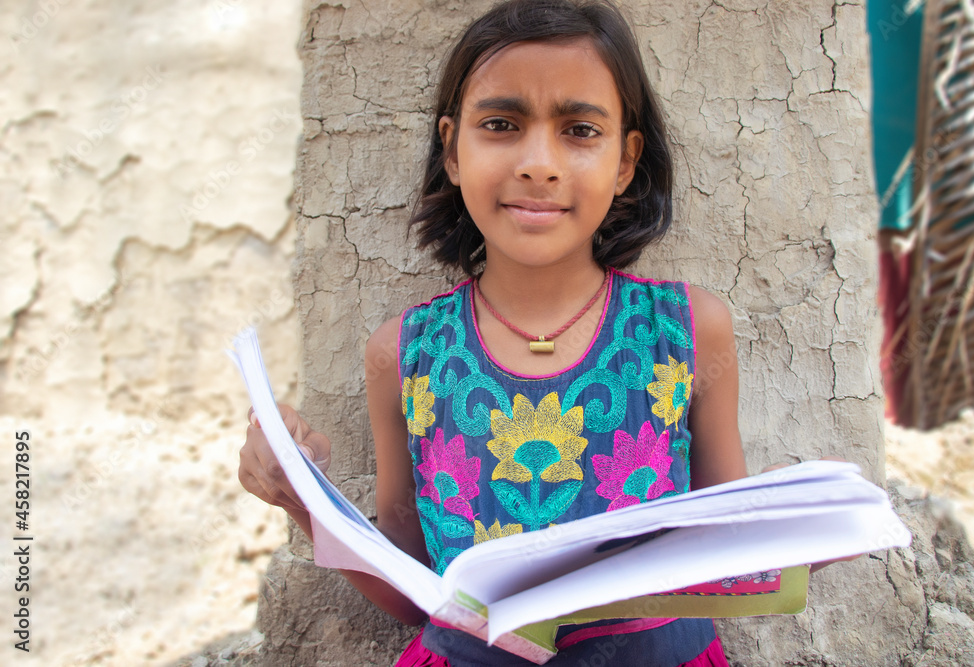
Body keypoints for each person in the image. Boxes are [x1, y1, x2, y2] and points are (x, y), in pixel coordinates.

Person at [241, 1, 752, 664]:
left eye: (579, 130)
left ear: (626, 161)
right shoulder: (405, 354)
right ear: (452, 149)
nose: (539, 162)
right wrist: (305, 502)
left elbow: (737, 556)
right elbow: (413, 591)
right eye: (502, 124)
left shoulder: (687, 333)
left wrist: (818, 536)